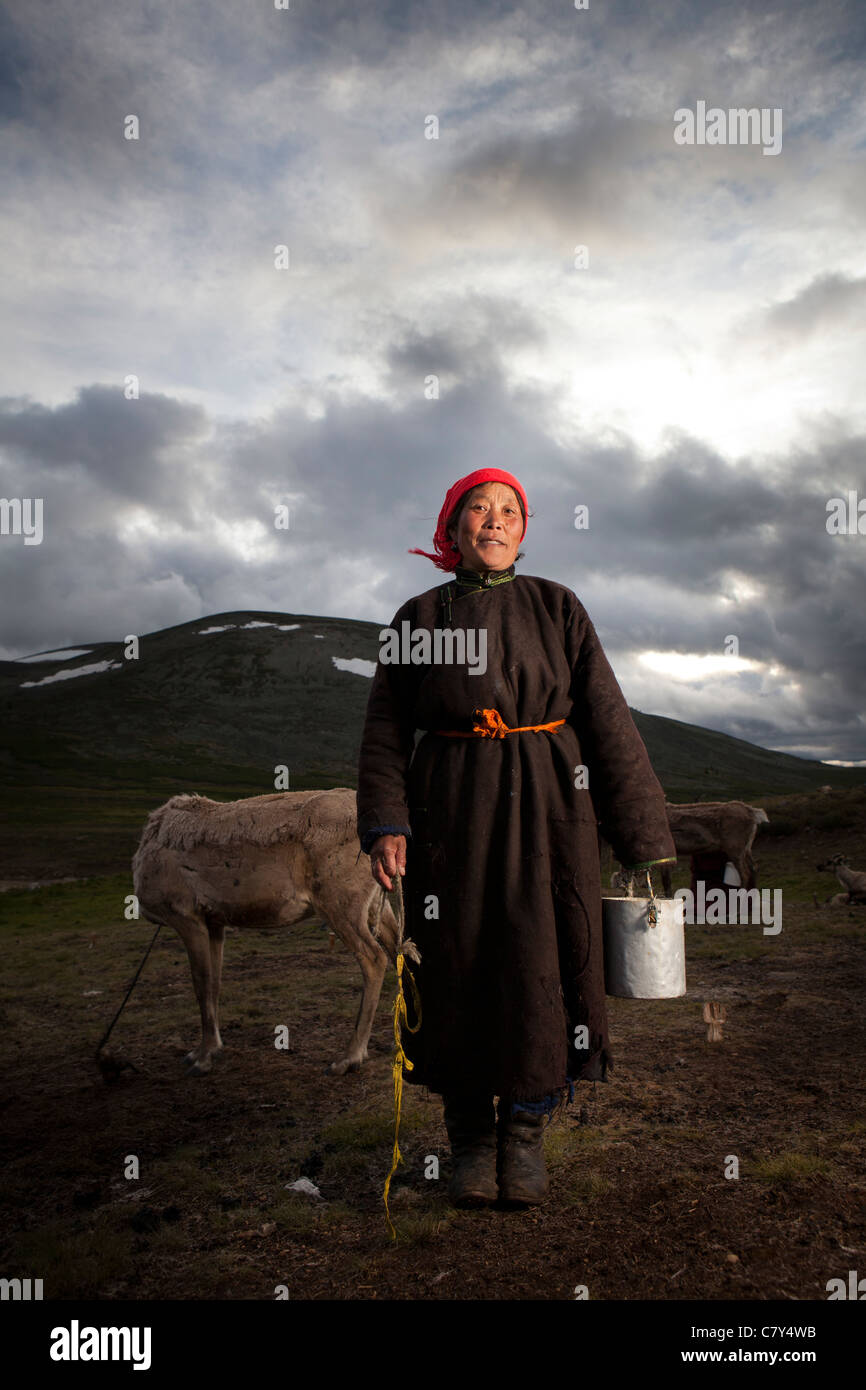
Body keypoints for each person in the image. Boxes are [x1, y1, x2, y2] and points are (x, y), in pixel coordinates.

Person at [356, 467, 675, 1208]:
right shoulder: (419, 618)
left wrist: (642, 833)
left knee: (541, 956)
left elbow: (606, 718)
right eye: (478, 510)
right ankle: (469, 1138)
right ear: (452, 528)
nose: (493, 522)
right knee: (456, 959)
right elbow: (383, 729)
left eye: (509, 512)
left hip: (551, 806)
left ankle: (525, 1136)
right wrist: (387, 821)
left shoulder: (557, 606)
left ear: (523, 532)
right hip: (449, 812)